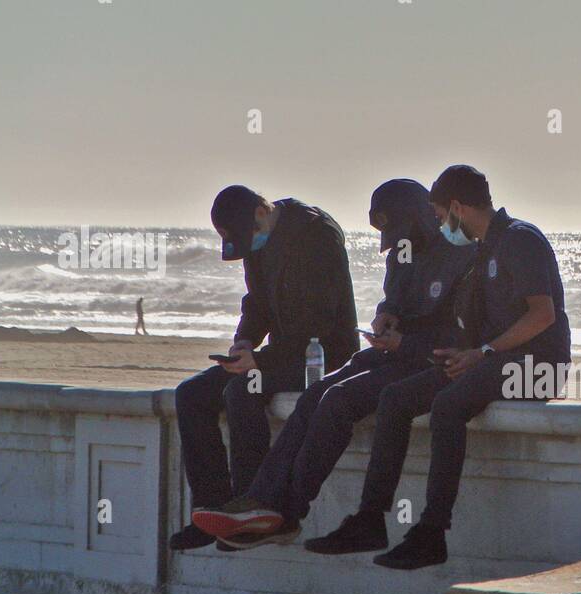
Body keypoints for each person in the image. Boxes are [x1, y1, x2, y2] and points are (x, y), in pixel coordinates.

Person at [309, 165, 571, 569]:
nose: (436, 224)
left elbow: (542, 316)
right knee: (395, 398)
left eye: (437, 215)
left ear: (456, 207)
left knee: (448, 406)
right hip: (495, 361)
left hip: (539, 368)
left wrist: (482, 353)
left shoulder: (520, 240)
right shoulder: (483, 249)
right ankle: (370, 518)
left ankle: (432, 533)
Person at [190, 179, 475, 550]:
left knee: (331, 397)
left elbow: (461, 337)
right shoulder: (403, 251)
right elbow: (396, 299)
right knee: (317, 395)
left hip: (415, 360)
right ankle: (256, 506)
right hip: (390, 352)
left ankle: (282, 512)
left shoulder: (461, 255)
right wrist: (387, 316)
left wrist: (406, 341)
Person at [168, 186, 359, 551]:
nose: (249, 246)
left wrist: (260, 360)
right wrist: (245, 342)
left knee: (243, 387)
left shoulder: (316, 234)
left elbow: (319, 321)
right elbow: (256, 303)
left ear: (261, 211)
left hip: (322, 357)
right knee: (191, 395)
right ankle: (213, 510)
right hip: (277, 354)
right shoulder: (255, 240)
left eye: (248, 237)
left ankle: (251, 509)